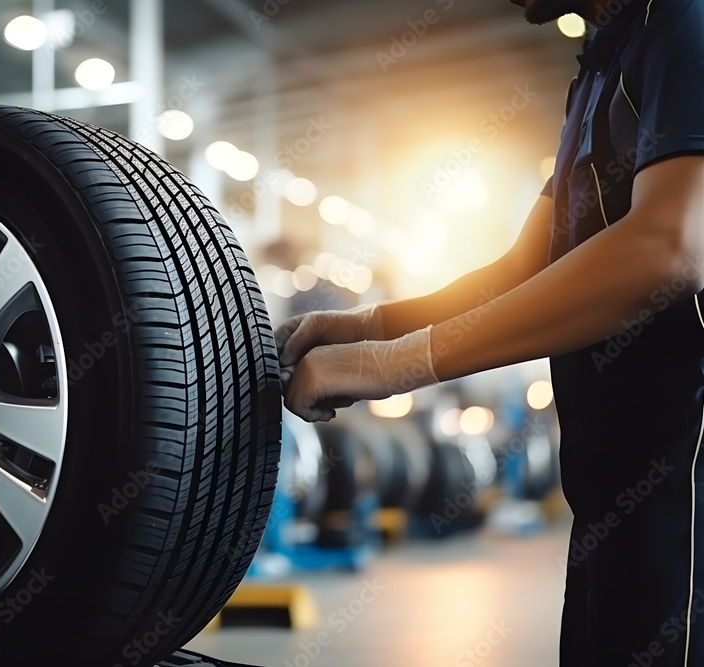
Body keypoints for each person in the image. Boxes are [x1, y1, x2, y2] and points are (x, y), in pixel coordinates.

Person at [277, 0, 704, 664]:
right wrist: (364, 326)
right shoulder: (599, 68)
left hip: (688, 489)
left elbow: (671, 246)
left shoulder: (682, 19)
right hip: (608, 494)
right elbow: (517, 271)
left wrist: (395, 365)